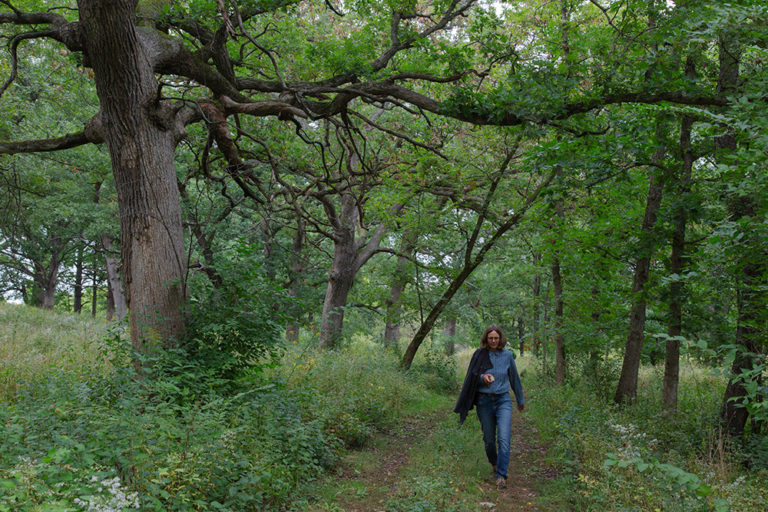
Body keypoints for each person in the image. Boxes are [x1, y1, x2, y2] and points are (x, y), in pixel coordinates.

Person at [454, 324, 525, 490]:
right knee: (489, 440)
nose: (493, 341)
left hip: (503, 401)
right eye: (490, 338)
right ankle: (494, 463)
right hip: (484, 402)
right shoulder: (479, 354)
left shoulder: (507, 356)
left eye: (496, 338)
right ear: (486, 339)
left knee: (504, 439)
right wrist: (481, 378)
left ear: (501, 339)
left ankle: (501, 475)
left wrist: (520, 400)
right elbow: (471, 377)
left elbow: (514, 379)